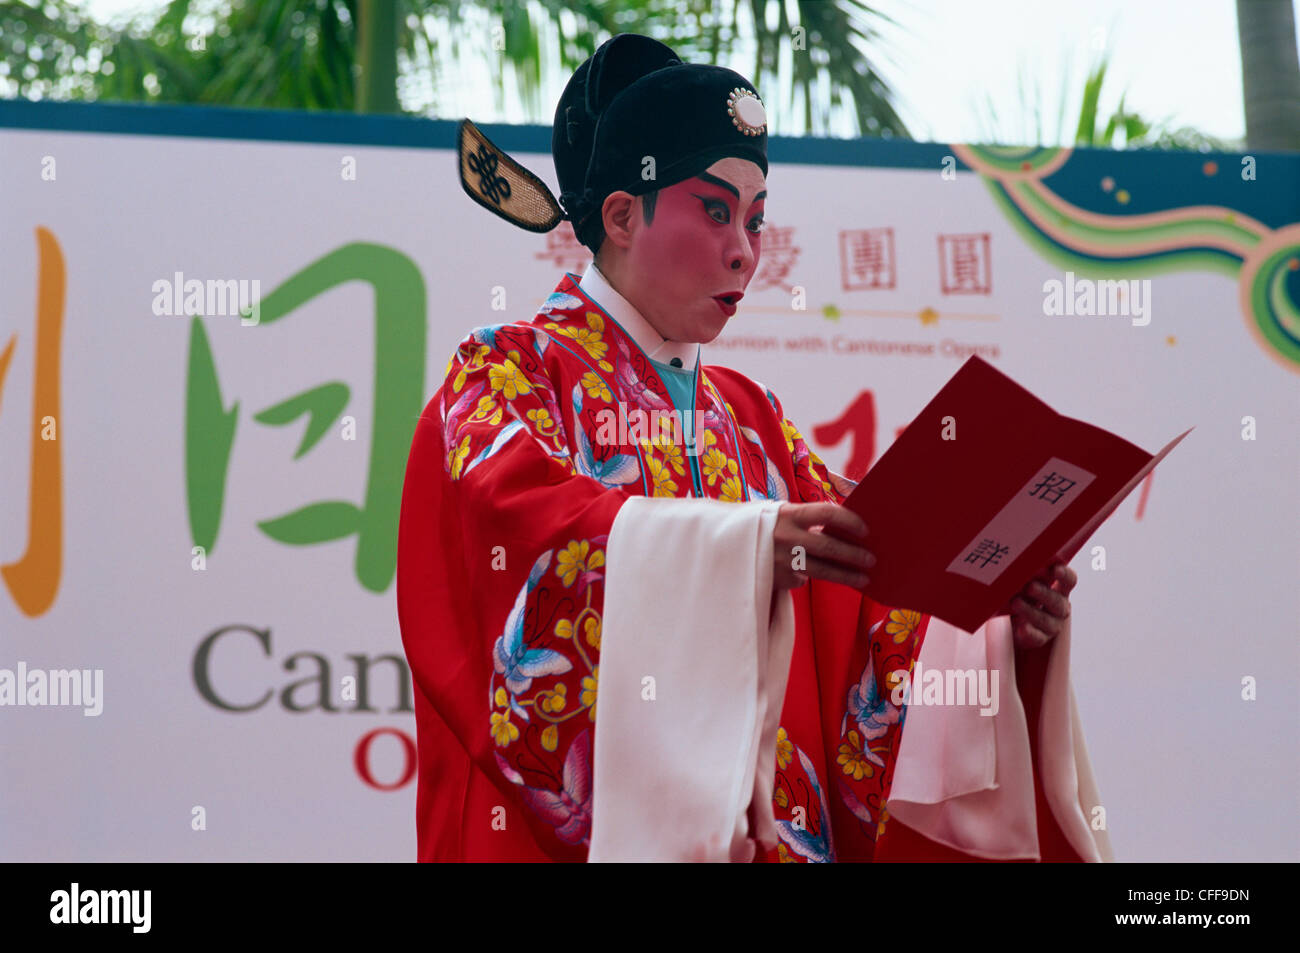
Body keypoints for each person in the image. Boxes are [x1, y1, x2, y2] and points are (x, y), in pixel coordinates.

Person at [397, 33, 1112, 863]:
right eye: (714, 210)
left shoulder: (750, 418)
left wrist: (992, 620)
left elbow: (874, 595)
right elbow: (515, 536)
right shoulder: (508, 371)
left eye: (757, 218)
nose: (744, 248)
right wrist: (738, 549)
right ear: (622, 216)